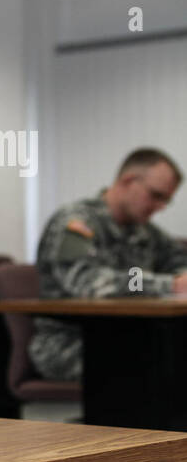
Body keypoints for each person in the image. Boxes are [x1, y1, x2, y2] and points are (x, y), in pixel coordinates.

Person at [30, 147, 187, 382]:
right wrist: (172, 285)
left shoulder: (144, 231)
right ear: (128, 181)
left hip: (128, 335)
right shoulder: (76, 222)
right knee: (162, 361)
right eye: (155, 195)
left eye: (165, 200)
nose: (160, 207)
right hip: (70, 342)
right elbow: (87, 283)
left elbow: (178, 260)